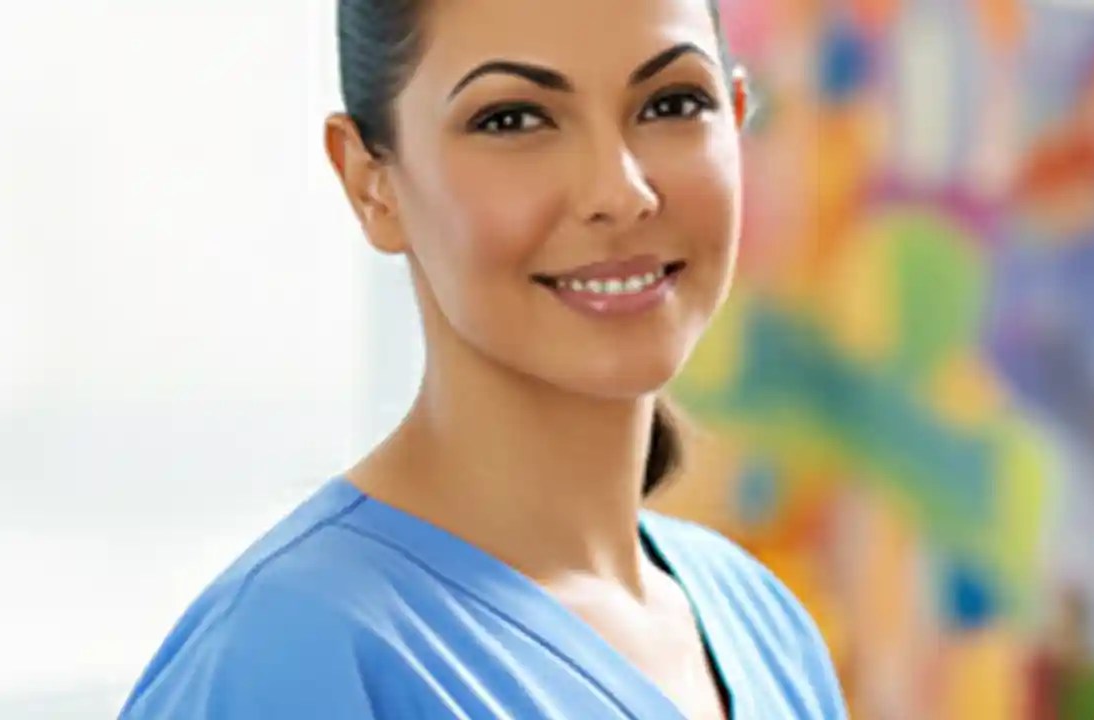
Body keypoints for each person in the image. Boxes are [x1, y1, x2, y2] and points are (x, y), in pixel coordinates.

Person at [119, 0, 847, 717]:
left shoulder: (764, 628)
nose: (620, 192)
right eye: (513, 120)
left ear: (739, 114)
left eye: (671, 103)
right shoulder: (290, 655)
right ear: (370, 183)